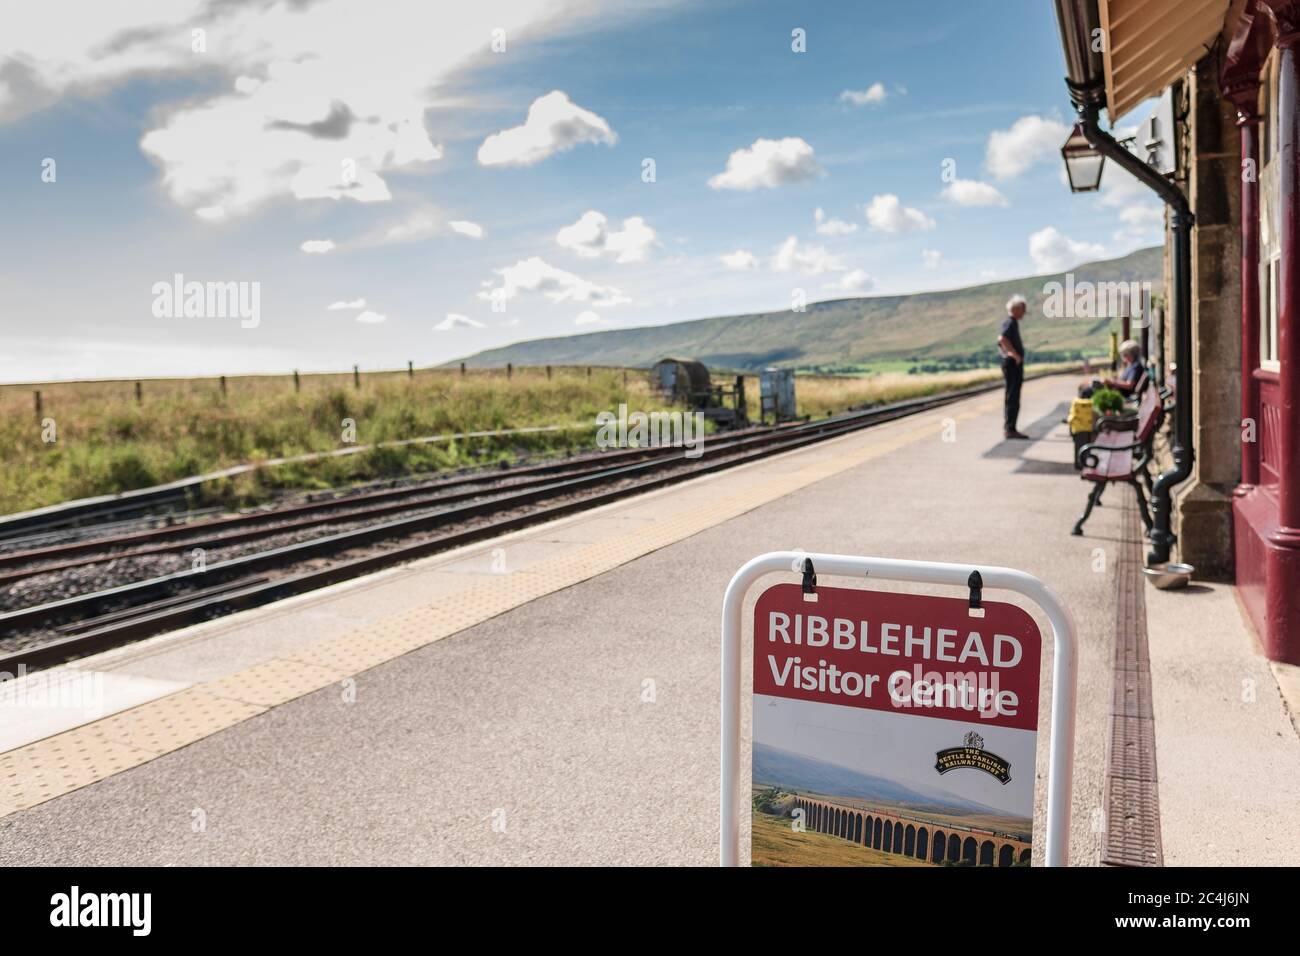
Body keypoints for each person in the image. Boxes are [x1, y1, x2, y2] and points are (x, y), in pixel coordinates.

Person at [998, 294, 1028, 439]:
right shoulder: (1009, 322)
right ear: (1016, 309)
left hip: (1012, 365)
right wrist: (1014, 354)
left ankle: (1011, 428)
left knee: (1014, 396)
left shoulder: (1012, 322)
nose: (1024, 312)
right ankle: (1010, 429)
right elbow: (1002, 338)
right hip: (1011, 365)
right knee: (1013, 396)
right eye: (1023, 309)